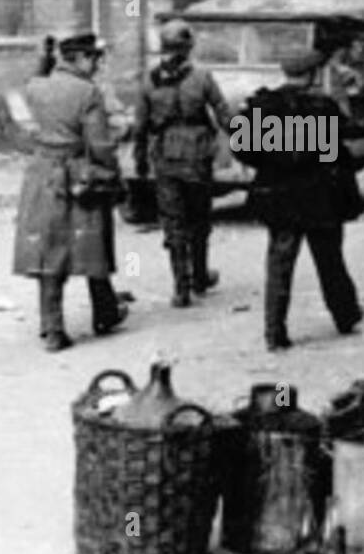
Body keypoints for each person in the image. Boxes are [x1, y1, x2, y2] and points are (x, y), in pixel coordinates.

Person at [235, 49, 364, 351]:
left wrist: (271, 164)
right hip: (321, 196)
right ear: (312, 75)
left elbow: (241, 147)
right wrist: (356, 94)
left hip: (280, 198)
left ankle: (274, 333)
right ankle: (345, 317)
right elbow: (358, 131)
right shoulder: (324, 106)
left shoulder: (262, 105)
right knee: (330, 259)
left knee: (279, 264)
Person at [12, 31, 128, 351]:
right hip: (79, 174)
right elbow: (100, 144)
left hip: (41, 174)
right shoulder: (88, 92)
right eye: (94, 58)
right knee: (94, 242)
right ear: (80, 58)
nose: (97, 65)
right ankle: (105, 313)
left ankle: (52, 328)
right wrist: (113, 173)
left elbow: (20, 126)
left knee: (48, 249)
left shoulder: (34, 86)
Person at [133, 18, 235, 308]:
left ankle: (180, 289)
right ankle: (200, 277)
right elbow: (224, 115)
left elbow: (140, 127)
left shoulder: (148, 80)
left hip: (164, 157)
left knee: (173, 222)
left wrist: (140, 163)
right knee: (199, 218)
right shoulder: (202, 76)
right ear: (188, 47)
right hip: (198, 156)